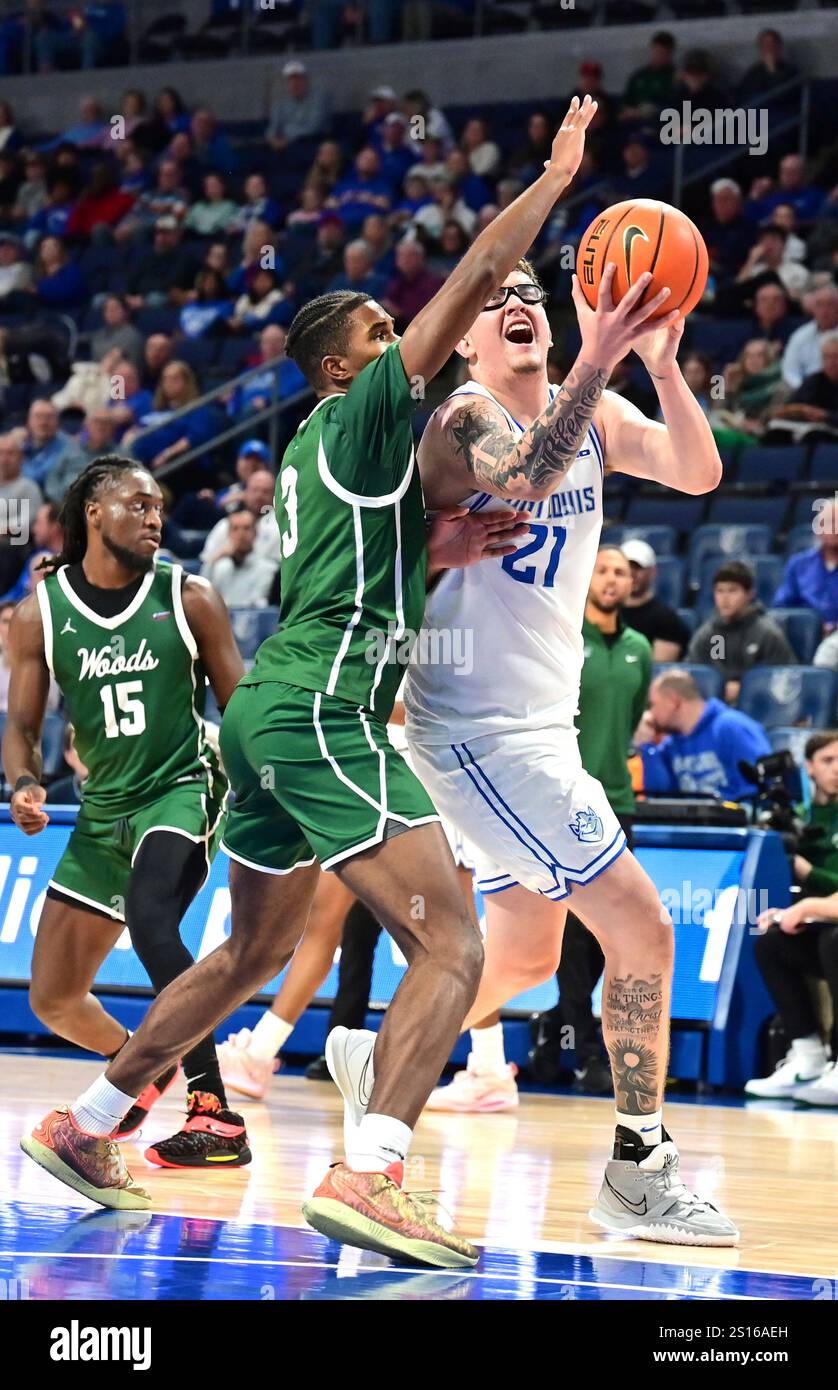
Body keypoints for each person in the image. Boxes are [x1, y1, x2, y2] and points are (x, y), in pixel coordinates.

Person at [20, 96, 600, 1267]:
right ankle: (373, 1171)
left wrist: (434, 543)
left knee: (247, 956)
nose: (411, 336)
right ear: (343, 364)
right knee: (453, 949)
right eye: (388, 328)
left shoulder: (311, 451)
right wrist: (552, 177)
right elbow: (485, 267)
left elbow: (377, 543)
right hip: (325, 705)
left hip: (267, 711)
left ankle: (89, 1128)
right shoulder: (373, 402)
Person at [392, 242, 735, 1239]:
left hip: (533, 731)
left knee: (528, 960)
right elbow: (532, 477)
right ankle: (638, 1164)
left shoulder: (598, 416)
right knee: (640, 926)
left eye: (529, 295)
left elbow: (697, 468)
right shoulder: (464, 420)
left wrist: (661, 364)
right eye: (494, 301)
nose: (517, 306)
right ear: (462, 342)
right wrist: (599, 359)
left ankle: (387, 1061)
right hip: (474, 735)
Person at [4, 456, 252, 1168]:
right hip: (101, 807)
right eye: (138, 505)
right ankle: (140, 1066)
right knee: (53, 998)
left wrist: (271, 785)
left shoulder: (190, 594)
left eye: (159, 508)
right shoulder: (39, 613)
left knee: (151, 915)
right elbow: (22, 724)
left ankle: (215, 1114)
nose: (154, 518)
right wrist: (24, 780)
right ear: (93, 511)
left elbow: (240, 707)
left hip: (182, 783)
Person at [528, 546, 652, 1099]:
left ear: (632, 584)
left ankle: (556, 1034)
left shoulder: (639, 649)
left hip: (618, 801)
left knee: (608, 932)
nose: (611, 579)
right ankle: (583, 1048)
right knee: (571, 933)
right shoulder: (561, 635)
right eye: (602, 568)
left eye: (621, 572)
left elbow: (632, 716)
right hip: (564, 798)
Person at [640, 669, 770, 802]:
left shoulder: (733, 728)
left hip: (733, 818)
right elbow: (658, 795)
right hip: (692, 820)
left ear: (674, 701)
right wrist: (647, 745)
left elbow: (757, 787)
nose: (651, 713)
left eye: (653, 704)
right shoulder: (671, 744)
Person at [688, 560, 795, 704]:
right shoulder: (710, 634)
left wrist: (746, 688)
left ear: (749, 594)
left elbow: (785, 679)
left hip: (759, 706)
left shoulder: (767, 633)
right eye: (719, 591)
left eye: (732, 590)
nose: (725, 598)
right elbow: (692, 674)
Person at [773, 497, 838, 633]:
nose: (834, 529)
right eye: (828, 523)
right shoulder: (798, 564)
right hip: (804, 635)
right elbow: (782, 607)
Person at [621, 538, 690, 661]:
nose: (631, 574)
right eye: (626, 568)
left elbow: (658, 668)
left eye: (637, 568)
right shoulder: (606, 613)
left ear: (652, 572)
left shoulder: (666, 620)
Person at [200, 507, 276, 608]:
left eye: (246, 528)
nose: (241, 534)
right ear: (228, 534)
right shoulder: (219, 566)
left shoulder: (269, 568)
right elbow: (202, 595)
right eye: (235, 528)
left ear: (255, 533)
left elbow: (258, 604)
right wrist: (214, 559)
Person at [781, 282, 838, 390]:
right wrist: (805, 389)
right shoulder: (799, 336)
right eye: (819, 305)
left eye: (830, 304)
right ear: (813, 309)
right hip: (806, 391)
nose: (824, 310)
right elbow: (790, 371)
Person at [20, 400, 85, 492]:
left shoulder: (68, 447)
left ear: (58, 421)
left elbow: (39, 478)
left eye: (49, 417)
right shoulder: (22, 443)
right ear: (28, 421)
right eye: (38, 417)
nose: (43, 422)